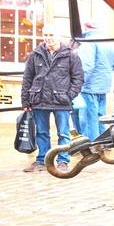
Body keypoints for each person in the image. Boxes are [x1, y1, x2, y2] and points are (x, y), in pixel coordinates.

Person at [21, 28, 82, 173]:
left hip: (61, 101)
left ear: (59, 36)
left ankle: (63, 161)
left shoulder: (70, 55)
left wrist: (69, 95)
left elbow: (78, 78)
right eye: (46, 35)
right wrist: (25, 101)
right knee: (42, 132)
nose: (48, 38)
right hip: (39, 100)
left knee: (63, 133)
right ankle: (42, 160)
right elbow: (27, 79)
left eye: (51, 34)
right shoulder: (35, 55)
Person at [76, 21, 114, 141]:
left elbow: (87, 66)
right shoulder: (107, 41)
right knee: (101, 116)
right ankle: (105, 142)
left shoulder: (88, 42)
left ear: (85, 28)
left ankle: (92, 145)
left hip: (89, 86)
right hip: (103, 85)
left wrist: (79, 84)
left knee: (89, 118)